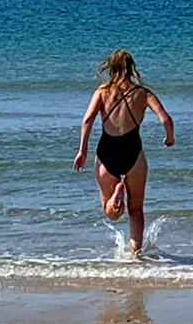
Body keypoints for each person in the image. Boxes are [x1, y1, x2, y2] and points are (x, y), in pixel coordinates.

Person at [74, 50, 174, 257]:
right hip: (133, 154)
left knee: (110, 212)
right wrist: (169, 137)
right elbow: (165, 118)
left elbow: (87, 120)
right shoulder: (143, 93)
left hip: (106, 153)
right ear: (132, 68)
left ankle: (115, 198)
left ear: (110, 67)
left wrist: (82, 150)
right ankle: (135, 254)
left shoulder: (102, 91)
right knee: (136, 209)